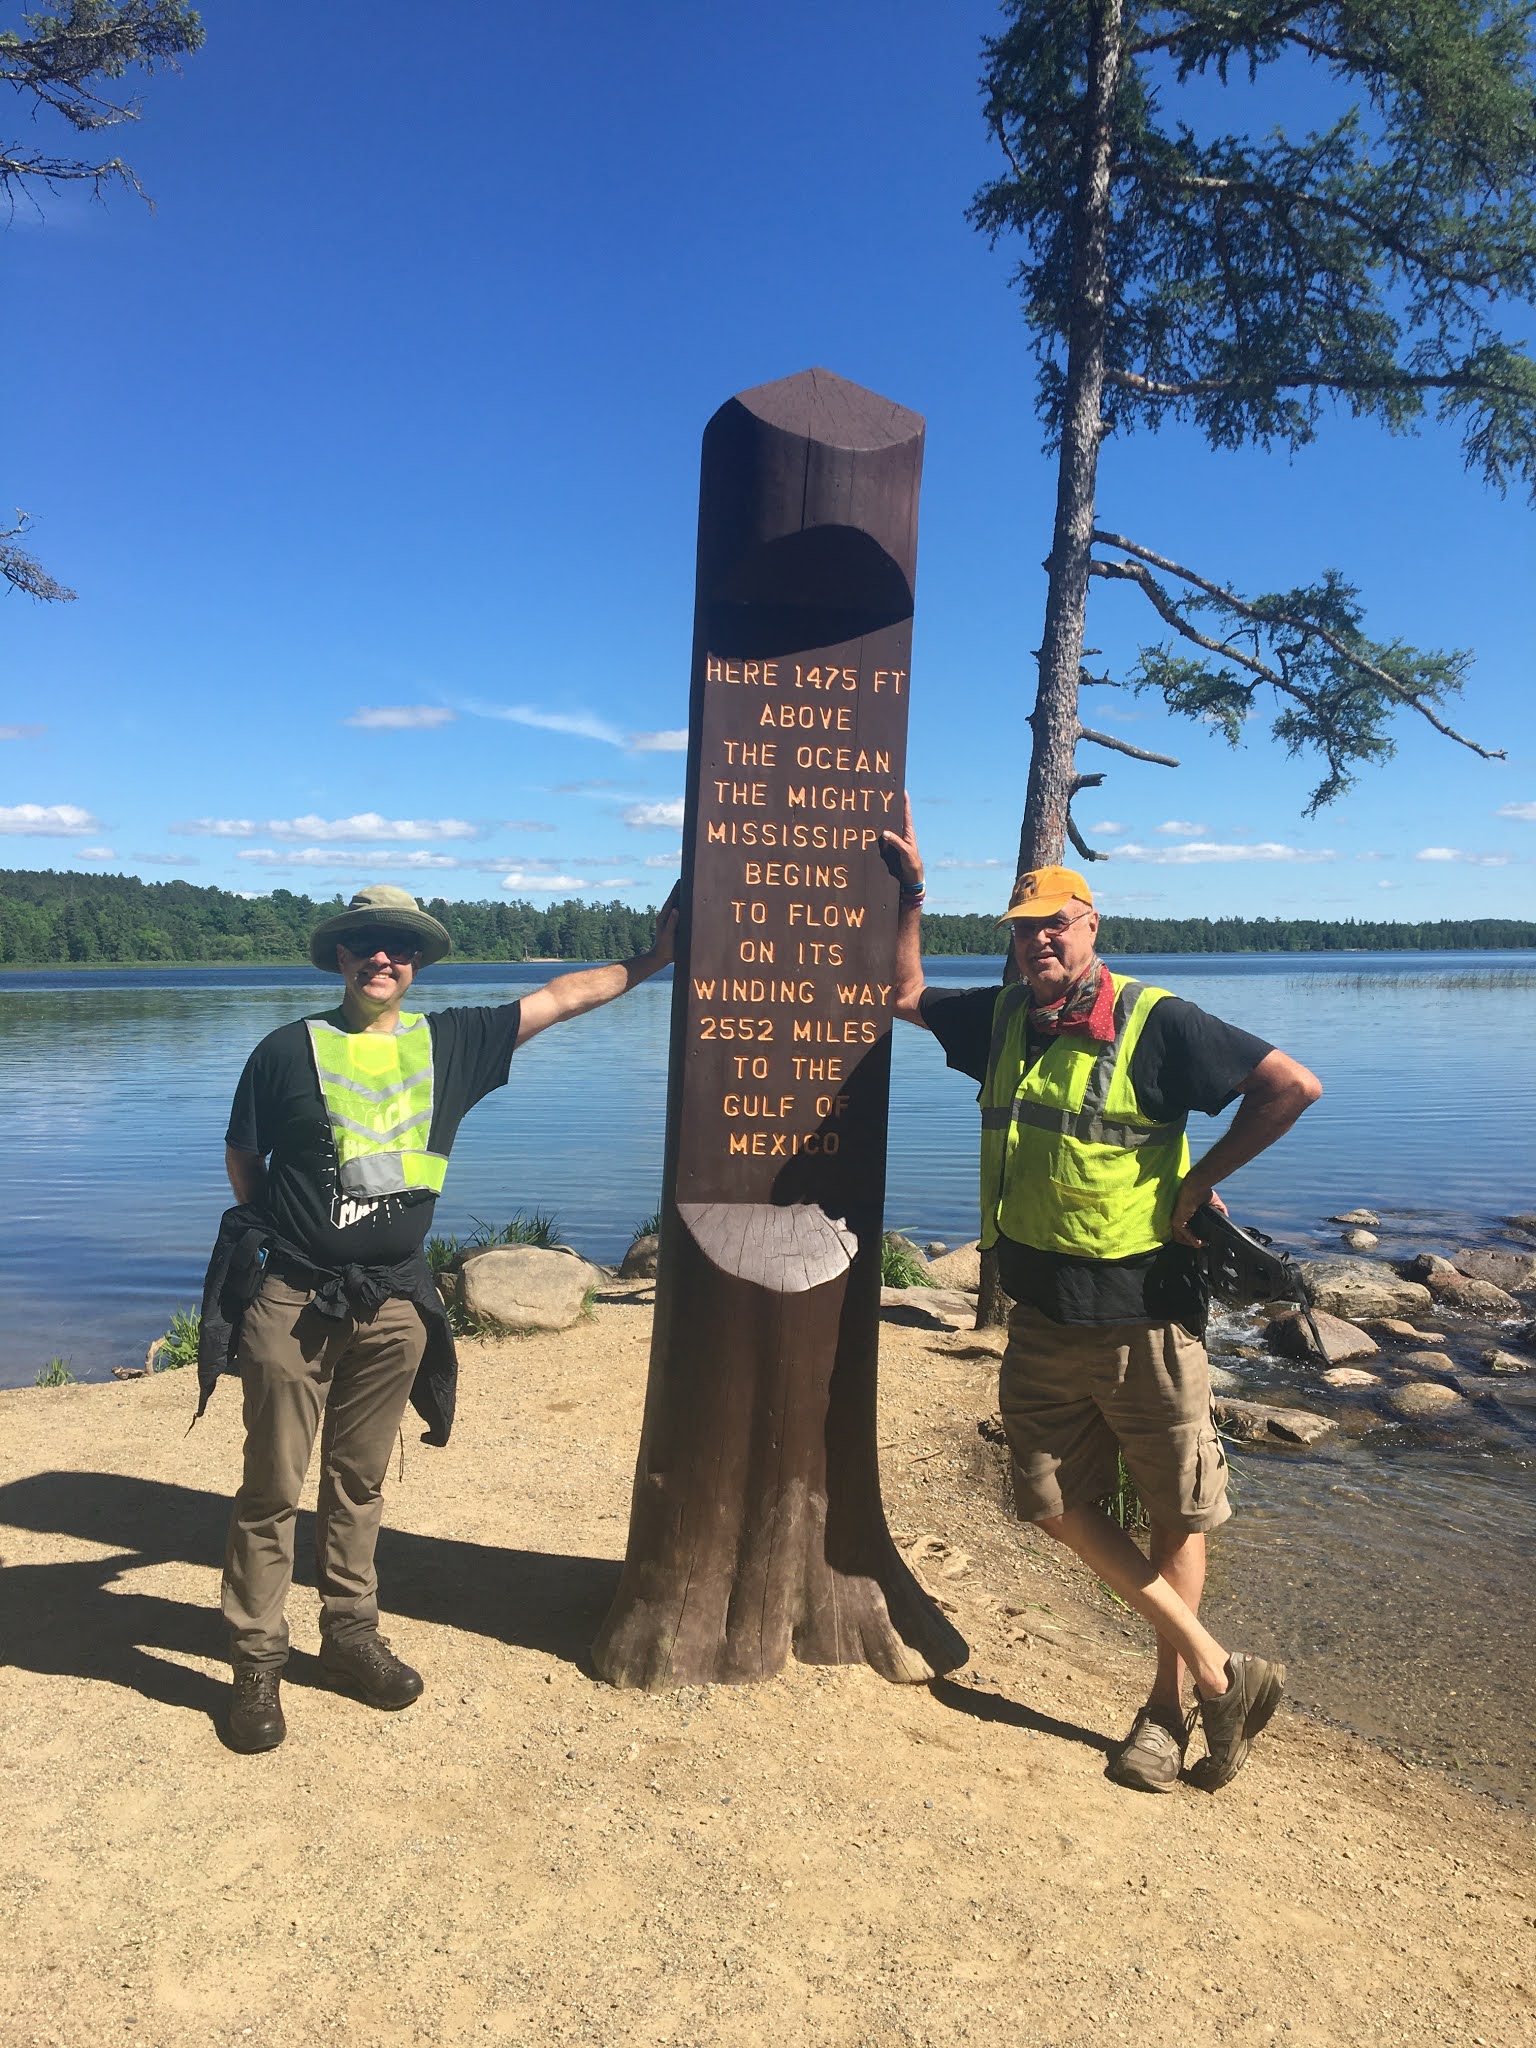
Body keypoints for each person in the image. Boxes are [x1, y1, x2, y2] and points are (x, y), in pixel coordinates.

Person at [882, 800, 1321, 1793]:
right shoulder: (998, 1018)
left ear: (1090, 926)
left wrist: (1201, 1180)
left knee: (1175, 1513)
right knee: (1042, 1497)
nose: (1040, 940)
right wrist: (912, 890)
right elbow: (901, 989)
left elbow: (1292, 1085)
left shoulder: (1158, 1021)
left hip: (1150, 1320)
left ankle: (1164, 1714)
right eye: (1024, 927)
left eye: (1056, 923)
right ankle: (1219, 1666)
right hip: (1041, 1316)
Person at [197, 882, 677, 1754]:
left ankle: (348, 1636)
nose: (383, 958)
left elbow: (563, 997)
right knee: (271, 1486)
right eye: (366, 944)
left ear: (415, 963)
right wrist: (291, 1238)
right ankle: (258, 1659)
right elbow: (243, 1158)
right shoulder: (283, 1051)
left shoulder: (452, 1042)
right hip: (295, 1298)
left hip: (394, 1303)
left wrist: (652, 961)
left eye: (400, 947)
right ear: (340, 959)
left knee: (360, 1481)